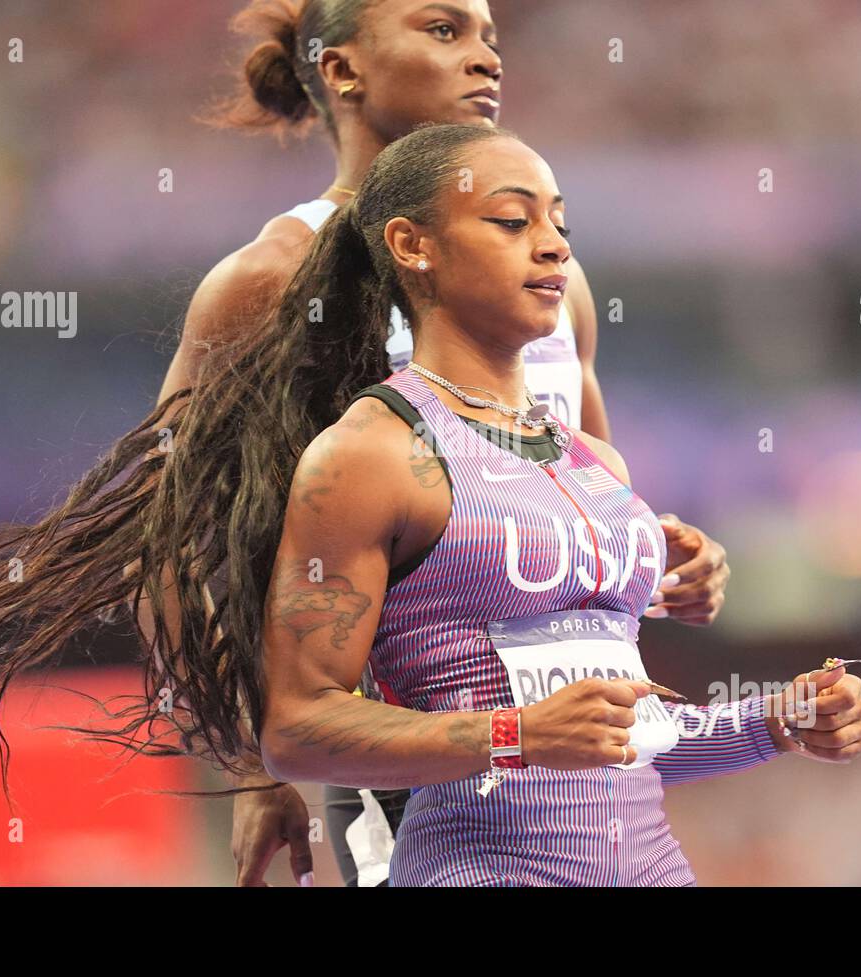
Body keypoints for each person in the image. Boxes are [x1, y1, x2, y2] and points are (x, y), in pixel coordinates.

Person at [163, 0, 734, 886]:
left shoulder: (556, 284)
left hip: (576, 775)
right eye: (445, 30)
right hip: (414, 767)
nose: (486, 58)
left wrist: (660, 556)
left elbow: (582, 498)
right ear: (342, 68)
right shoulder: (264, 282)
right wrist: (247, 763)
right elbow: (170, 549)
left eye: (491, 38)